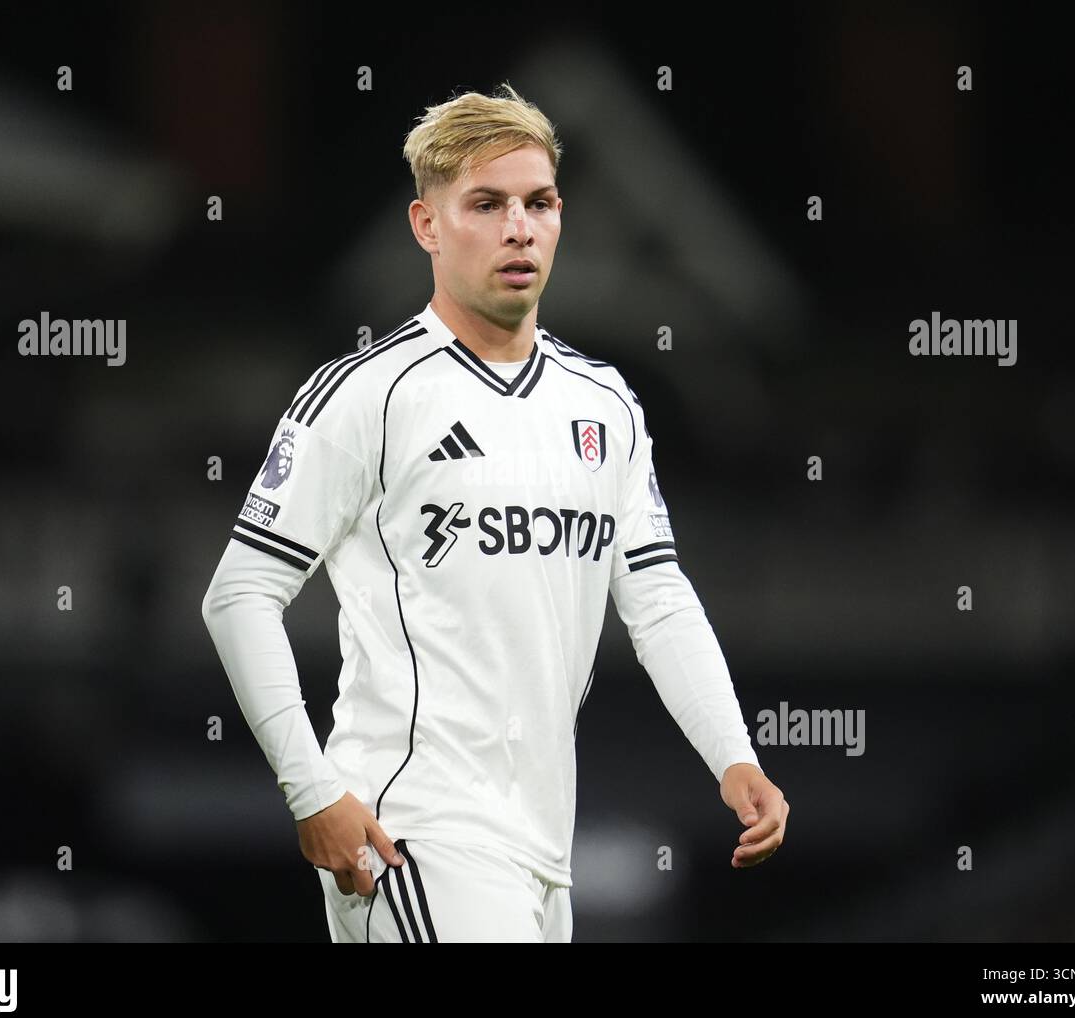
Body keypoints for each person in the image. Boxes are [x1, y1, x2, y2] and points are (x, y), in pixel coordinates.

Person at [201, 82, 788, 943]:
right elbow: (239, 594)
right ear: (426, 226)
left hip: (546, 848)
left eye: (539, 202)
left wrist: (733, 754)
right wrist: (312, 788)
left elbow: (658, 599)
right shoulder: (370, 394)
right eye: (487, 203)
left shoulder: (608, 404)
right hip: (413, 827)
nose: (520, 226)